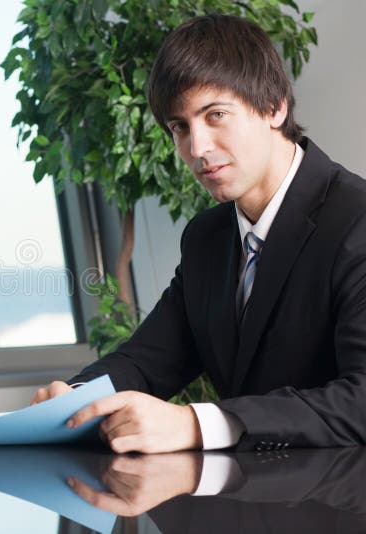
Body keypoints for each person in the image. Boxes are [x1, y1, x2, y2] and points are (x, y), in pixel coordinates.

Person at [35, 14, 366, 453]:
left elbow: (362, 401)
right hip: (242, 503)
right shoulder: (207, 237)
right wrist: (74, 401)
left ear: (275, 107)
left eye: (216, 116)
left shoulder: (357, 220)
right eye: (180, 127)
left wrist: (199, 424)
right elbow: (149, 359)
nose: (198, 148)